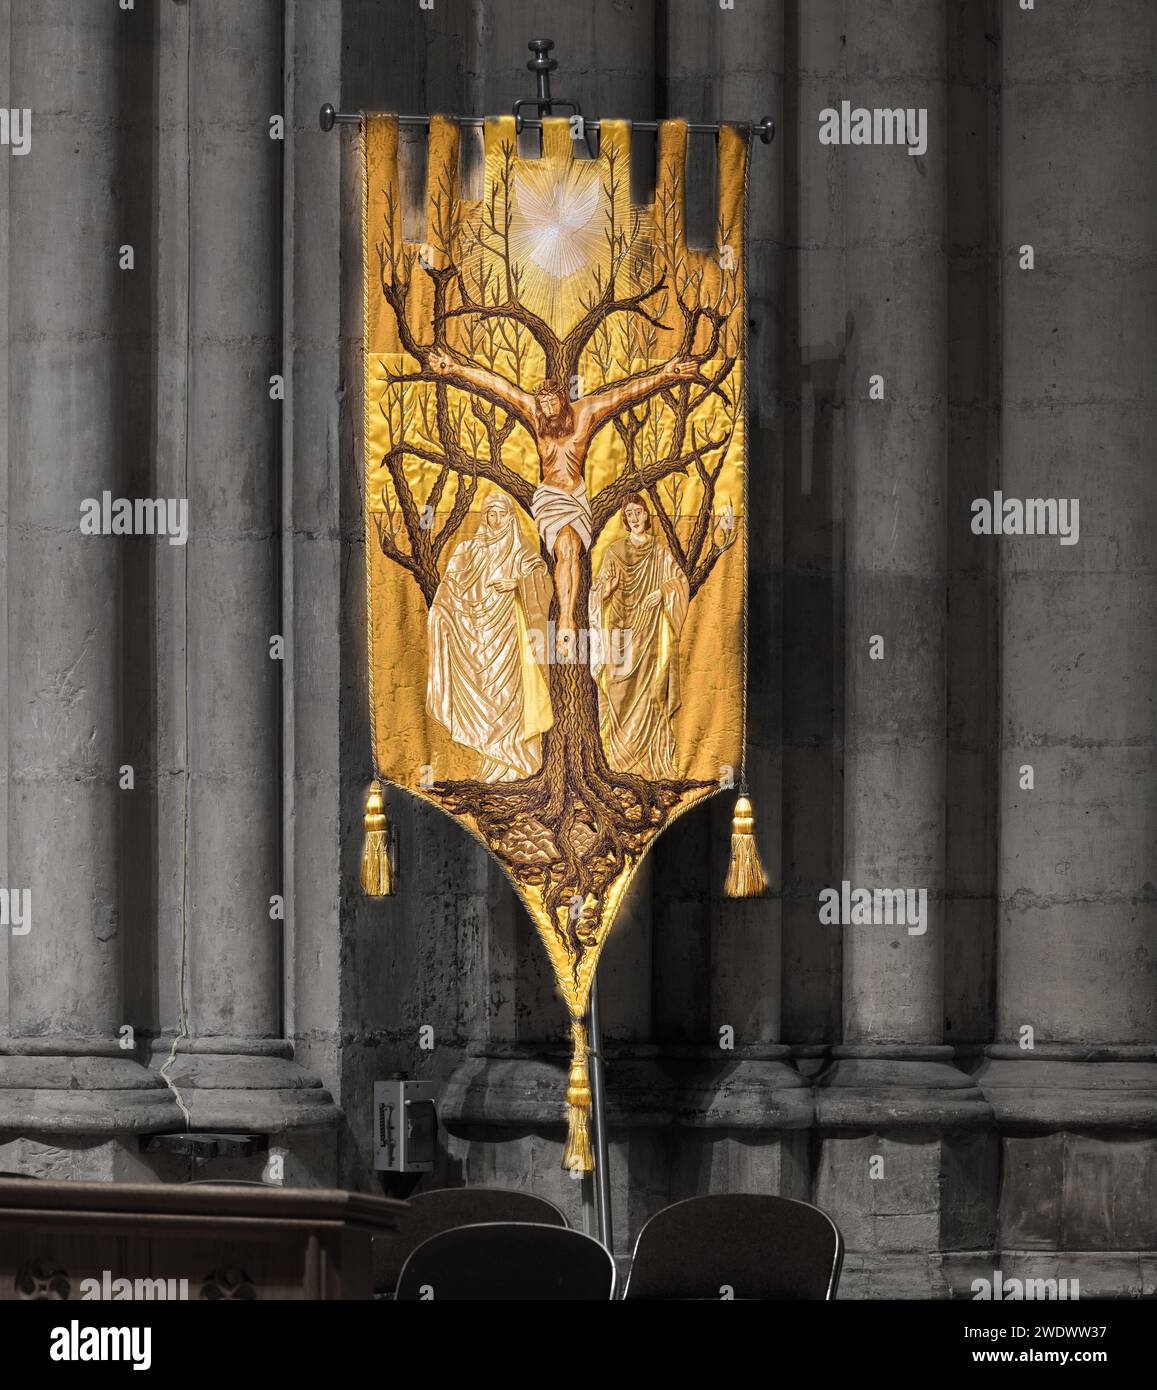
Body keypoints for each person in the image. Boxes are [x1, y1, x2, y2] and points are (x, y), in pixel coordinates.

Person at [429, 351, 698, 660]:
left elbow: (625, 393)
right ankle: (567, 623)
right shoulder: (535, 413)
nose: (546, 410)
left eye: (551, 403)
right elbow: (498, 386)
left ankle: (568, 620)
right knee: (566, 550)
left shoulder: (585, 412)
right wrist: (458, 369)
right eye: (541, 405)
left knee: (571, 552)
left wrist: (665, 375)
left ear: (562, 399)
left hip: (577, 496)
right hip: (548, 498)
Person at [426, 492, 553, 781]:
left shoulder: (521, 551)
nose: (495, 520)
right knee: (488, 700)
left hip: (511, 638)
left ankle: (517, 765)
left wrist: (518, 583)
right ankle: (491, 768)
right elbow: (452, 588)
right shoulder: (469, 550)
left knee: (511, 699)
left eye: (501, 514)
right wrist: (442, 613)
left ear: (511, 517)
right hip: (479, 641)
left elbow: (543, 584)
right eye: (490, 514)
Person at [588, 492, 689, 778]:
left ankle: (646, 760)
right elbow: (599, 589)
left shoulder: (659, 553)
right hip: (620, 630)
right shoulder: (615, 551)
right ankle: (617, 759)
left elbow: (679, 582)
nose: (634, 518)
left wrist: (661, 592)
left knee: (649, 693)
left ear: (647, 515)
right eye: (629, 514)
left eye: (638, 512)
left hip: (650, 636)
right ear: (625, 519)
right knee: (618, 691)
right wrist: (604, 591)